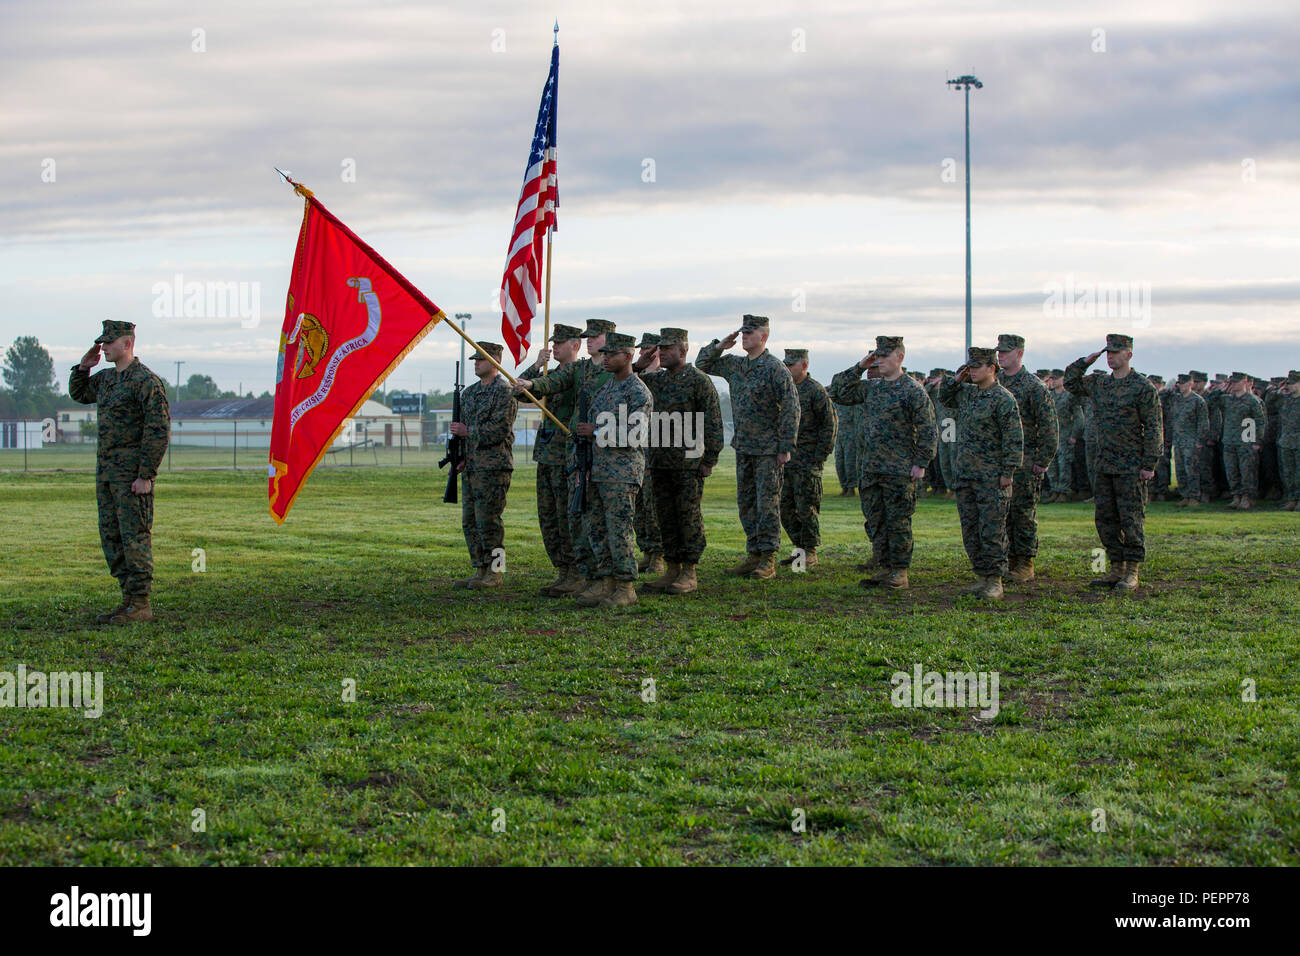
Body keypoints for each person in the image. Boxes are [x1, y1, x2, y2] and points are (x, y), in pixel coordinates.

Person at [69, 320, 170, 624]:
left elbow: (158, 430)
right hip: (107, 475)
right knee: (111, 536)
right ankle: (127, 600)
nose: (104, 347)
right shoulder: (107, 380)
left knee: (134, 536)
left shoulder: (146, 381)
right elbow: (80, 394)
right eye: (102, 342)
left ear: (127, 343)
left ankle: (141, 603)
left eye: (109, 343)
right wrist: (83, 368)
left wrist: (146, 475)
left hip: (132, 477)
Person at [514, 318, 617, 596]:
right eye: (589, 336)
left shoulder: (609, 373)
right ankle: (566, 571)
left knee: (576, 515)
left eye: (596, 336)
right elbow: (544, 385)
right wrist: (532, 377)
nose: (591, 340)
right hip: (559, 452)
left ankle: (587, 573)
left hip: (588, 454)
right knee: (553, 518)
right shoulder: (578, 370)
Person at [696, 315, 800, 580]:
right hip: (744, 447)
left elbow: (791, 407)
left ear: (763, 337)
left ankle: (768, 559)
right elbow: (702, 364)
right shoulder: (736, 365)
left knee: (767, 504)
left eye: (749, 333)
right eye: (742, 333)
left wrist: (785, 445)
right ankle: (753, 554)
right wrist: (721, 345)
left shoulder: (775, 368)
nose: (743, 337)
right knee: (746, 503)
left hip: (767, 449)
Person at [829, 335, 937, 591]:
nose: (880, 361)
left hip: (899, 470)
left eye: (885, 356)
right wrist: (860, 366)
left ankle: (899, 571)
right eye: (877, 356)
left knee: (898, 522)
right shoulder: (873, 388)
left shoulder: (913, 390)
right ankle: (885, 566)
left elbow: (928, 429)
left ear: (900, 357)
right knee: (875, 520)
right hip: (871, 468)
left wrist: (921, 462)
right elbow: (838, 391)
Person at [1064, 334, 1162, 592]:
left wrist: (1149, 464)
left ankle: (1132, 571)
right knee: (1105, 519)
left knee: (1131, 519)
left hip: (1131, 465)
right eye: (1107, 352)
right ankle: (1116, 566)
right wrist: (1086, 361)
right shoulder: (1100, 384)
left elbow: (1154, 427)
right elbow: (1070, 382)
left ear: (1129, 354)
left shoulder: (1142, 388)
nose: (1110, 357)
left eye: (1116, 352)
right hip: (1105, 462)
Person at [632, 327, 724, 594]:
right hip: (659, 461)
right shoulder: (657, 380)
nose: (663, 352)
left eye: (669, 348)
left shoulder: (699, 381)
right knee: (665, 517)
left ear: (684, 350)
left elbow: (713, 423)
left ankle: (689, 572)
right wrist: (641, 362)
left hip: (688, 464)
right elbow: (629, 382)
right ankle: (671, 568)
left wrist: (709, 459)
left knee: (688, 517)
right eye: (660, 348)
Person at [575, 332, 654, 608]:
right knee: (596, 528)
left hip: (622, 473)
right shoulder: (604, 390)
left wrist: (596, 430)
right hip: (597, 470)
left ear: (629, 356)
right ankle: (606, 580)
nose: (606, 358)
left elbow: (636, 434)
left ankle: (626, 586)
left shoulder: (638, 392)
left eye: (612, 354)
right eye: (605, 354)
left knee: (619, 529)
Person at [940, 348, 1023, 600]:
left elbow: (1013, 437)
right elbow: (944, 397)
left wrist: (1008, 470)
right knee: (971, 529)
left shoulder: (1003, 399)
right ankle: (981, 576)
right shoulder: (966, 393)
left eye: (978, 367)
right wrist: (956, 379)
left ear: (992, 368)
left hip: (991, 476)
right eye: (970, 366)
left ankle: (995, 580)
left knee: (992, 529)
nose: (972, 371)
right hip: (966, 474)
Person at [519, 324, 584, 596]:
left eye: (560, 343)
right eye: (553, 343)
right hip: (547, 454)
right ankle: (562, 570)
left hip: (565, 455)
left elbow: (549, 385)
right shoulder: (550, 372)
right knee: (548, 517)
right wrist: (535, 367)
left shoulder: (578, 372)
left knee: (565, 514)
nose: (555, 347)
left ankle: (576, 572)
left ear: (575, 345)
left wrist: (536, 382)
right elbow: (519, 393)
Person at [452, 342, 518, 589]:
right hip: (472, 467)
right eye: (475, 360)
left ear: (495, 362)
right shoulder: (469, 394)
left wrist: (468, 431)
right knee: (470, 521)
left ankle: (496, 570)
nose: (476, 363)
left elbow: (501, 429)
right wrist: (459, 456)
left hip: (494, 467)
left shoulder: (505, 392)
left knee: (490, 521)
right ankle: (479, 568)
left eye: (480, 359)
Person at [995, 334, 1058, 583]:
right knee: (1001, 514)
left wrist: (1042, 461)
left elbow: (1049, 428)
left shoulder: (1034, 387)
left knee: (1022, 513)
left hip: (1025, 460)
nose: (1000, 355)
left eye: (1006, 351)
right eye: (999, 351)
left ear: (1020, 353)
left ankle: (1025, 562)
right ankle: (1008, 559)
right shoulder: (995, 383)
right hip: (1000, 460)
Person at [778, 349, 837, 570]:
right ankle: (799, 549)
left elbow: (829, 425)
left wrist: (819, 457)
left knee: (806, 508)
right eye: (785, 364)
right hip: (786, 460)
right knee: (785, 508)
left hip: (807, 460)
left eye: (791, 364)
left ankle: (809, 552)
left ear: (803, 365)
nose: (787, 368)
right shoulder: (784, 389)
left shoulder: (815, 391)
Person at [631, 332, 665, 575]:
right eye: (641, 349)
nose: (644, 353)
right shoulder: (633, 379)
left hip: (658, 451)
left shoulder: (664, 380)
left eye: (648, 349)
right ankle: (646, 550)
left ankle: (658, 554)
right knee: (639, 507)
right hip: (635, 451)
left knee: (655, 506)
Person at [1207, 372, 1266, 510]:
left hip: (1246, 441)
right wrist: (1222, 389)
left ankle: (1247, 497)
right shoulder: (1227, 399)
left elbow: (1260, 421)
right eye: (1231, 382)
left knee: (1247, 471)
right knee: (1231, 470)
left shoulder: (1253, 401)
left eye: (1235, 382)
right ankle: (1236, 496)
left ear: (1244, 383)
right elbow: (1209, 402)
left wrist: (1258, 441)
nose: (1232, 384)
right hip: (1229, 440)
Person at [1169, 373, 1209, 507]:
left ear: (1190, 384)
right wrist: (1171, 389)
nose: (1181, 386)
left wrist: (1199, 440)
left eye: (1183, 383)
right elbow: (1162, 397)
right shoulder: (1176, 399)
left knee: (1191, 469)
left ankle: (1194, 496)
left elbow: (1203, 423)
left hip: (1191, 441)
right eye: (1179, 383)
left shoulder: (1198, 400)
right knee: (1180, 469)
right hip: (1178, 440)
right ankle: (1185, 495)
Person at [1047, 369, 1082, 503]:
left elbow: (1079, 417)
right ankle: (1054, 490)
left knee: (1064, 465)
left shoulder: (1069, 396)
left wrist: (1074, 435)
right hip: (1052, 436)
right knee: (1052, 465)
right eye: (1052, 379)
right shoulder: (1049, 396)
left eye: (1056, 378)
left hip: (1065, 435)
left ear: (1063, 379)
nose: (1053, 381)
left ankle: (1064, 491)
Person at [1276, 371, 1300, 510]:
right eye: (1288, 384)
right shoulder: (1286, 400)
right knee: (1288, 473)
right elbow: (1270, 400)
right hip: (1286, 442)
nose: (1289, 386)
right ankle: (1292, 499)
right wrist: (1280, 390)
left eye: (1292, 384)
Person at [833, 401, 861, 495]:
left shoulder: (852, 398)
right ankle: (844, 486)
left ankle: (851, 488)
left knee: (849, 462)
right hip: (839, 435)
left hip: (851, 434)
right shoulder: (835, 397)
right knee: (839, 462)